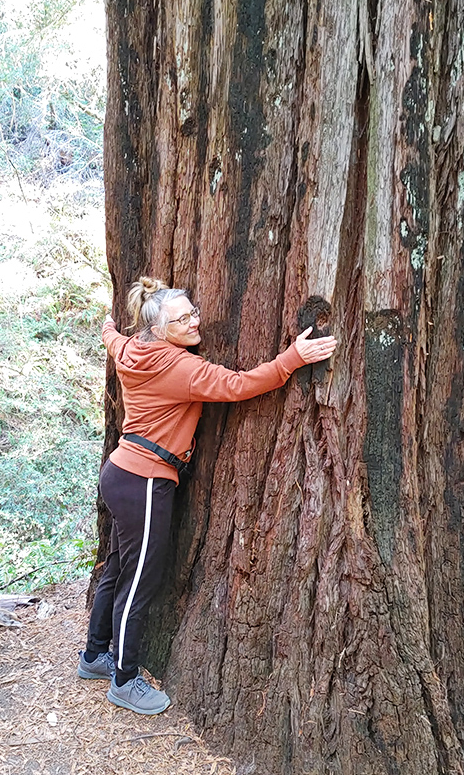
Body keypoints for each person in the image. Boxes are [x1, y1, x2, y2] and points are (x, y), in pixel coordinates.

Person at [77, 276, 337, 715]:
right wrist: (292, 357)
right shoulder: (181, 368)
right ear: (159, 330)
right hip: (143, 481)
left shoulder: (131, 349)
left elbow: (112, 339)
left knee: (121, 568)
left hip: (120, 474)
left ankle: (94, 656)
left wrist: (106, 325)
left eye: (193, 311)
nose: (195, 321)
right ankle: (123, 678)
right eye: (183, 319)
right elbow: (239, 385)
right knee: (140, 580)